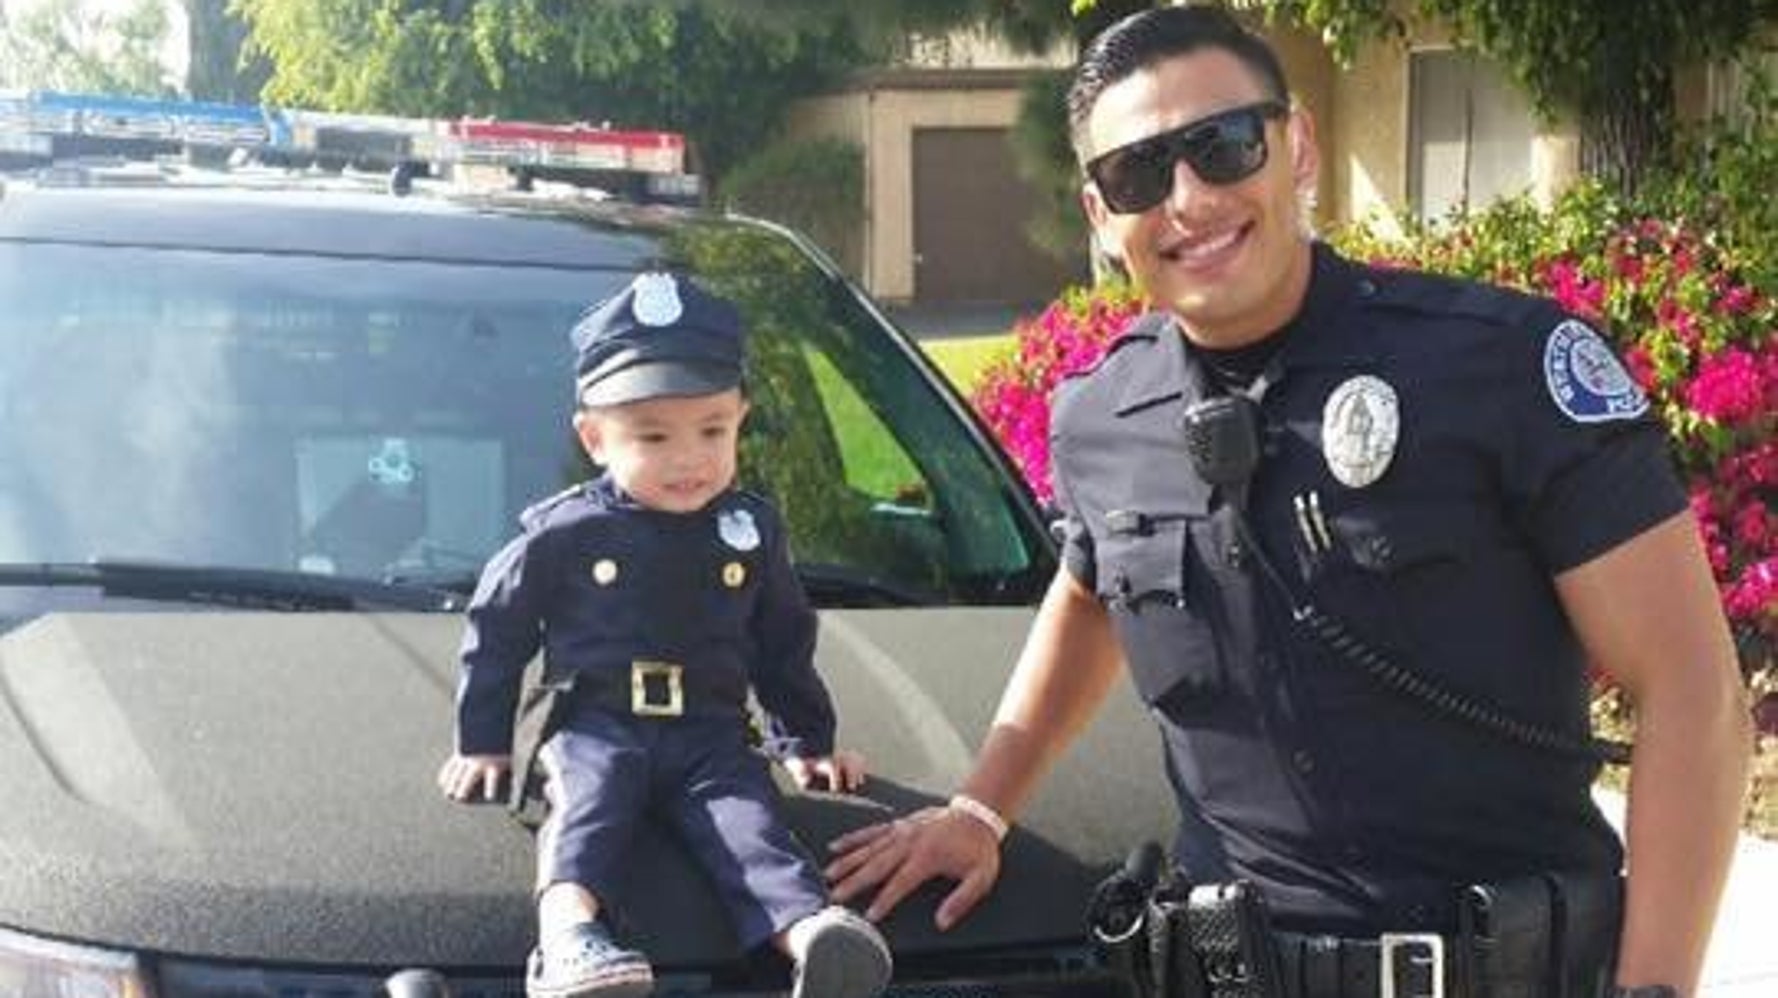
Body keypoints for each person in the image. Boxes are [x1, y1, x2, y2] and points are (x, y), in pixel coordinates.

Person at [825, 7, 1751, 998]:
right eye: (1138, 174)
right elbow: (1091, 594)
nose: (1188, 199)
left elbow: (1692, 692)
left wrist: (1653, 988)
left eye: (1224, 146)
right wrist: (980, 806)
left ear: (1296, 145)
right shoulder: (1101, 415)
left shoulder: (1500, 369)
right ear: (1099, 214)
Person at [438, 271, 893, 998]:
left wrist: (805, 742)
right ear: (594, 438)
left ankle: (812, 938)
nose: (690, 457)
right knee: (588, 808)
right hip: (595, 725)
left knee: (749, 824)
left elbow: (783, 641)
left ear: (741, 417)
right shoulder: (565, 532)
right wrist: (484, 741)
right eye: (653, 435)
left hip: (710, 732)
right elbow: (498, 627)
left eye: (713, 429)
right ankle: (567, 939)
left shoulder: (750, 531)